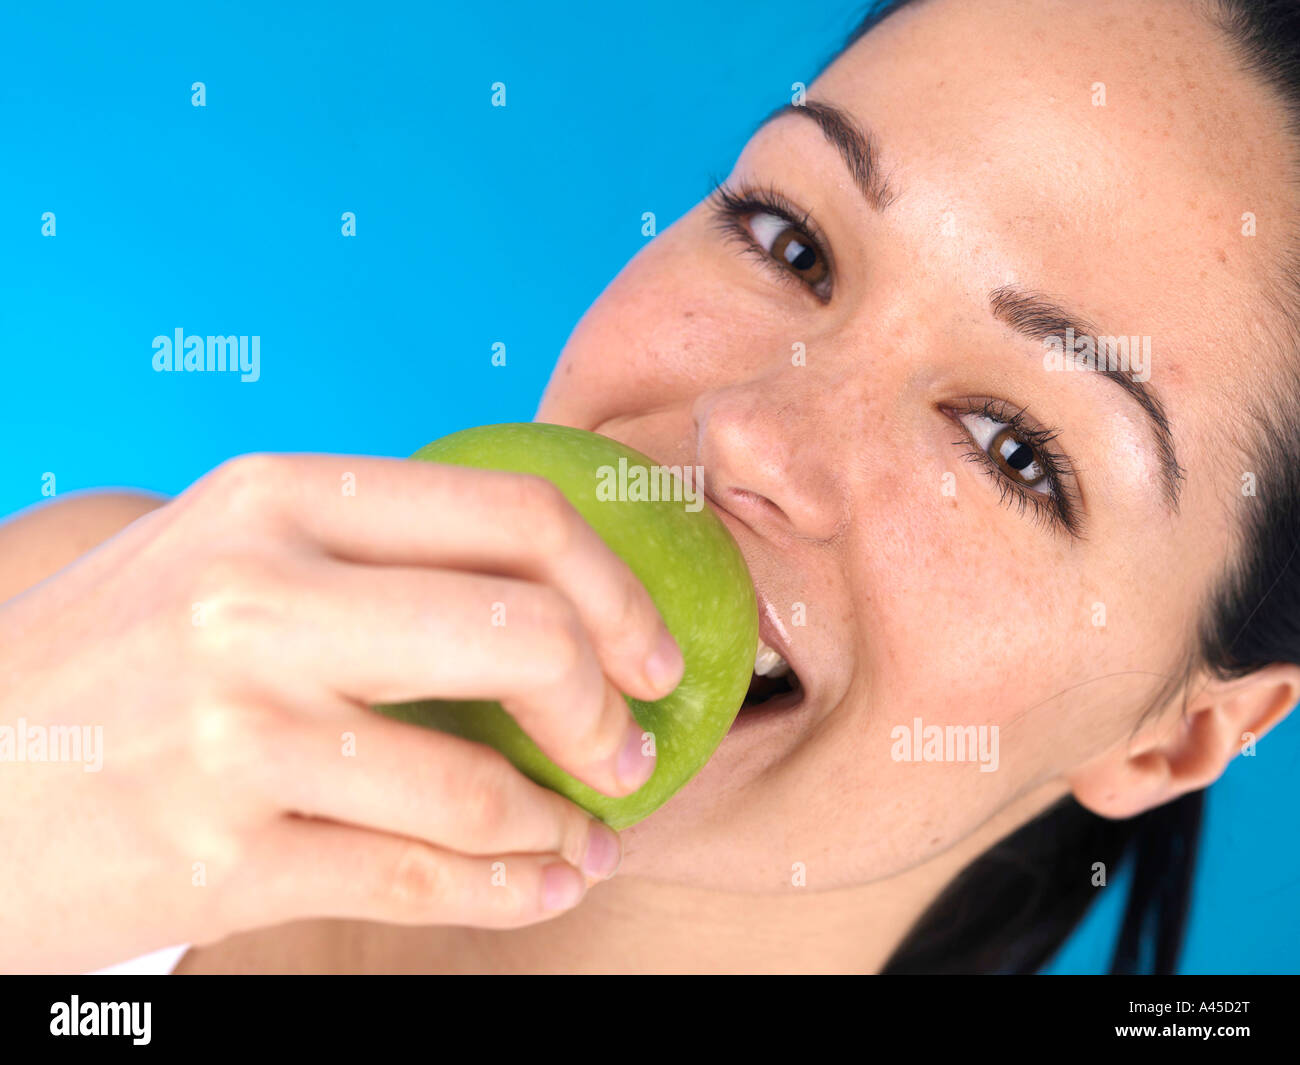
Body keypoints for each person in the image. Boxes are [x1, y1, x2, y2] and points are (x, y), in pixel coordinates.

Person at [3, 0, 1298, 974]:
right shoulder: (81, 652)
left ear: (1178, 734)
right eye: (791, 241)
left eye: (1016, 447)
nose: (752, 436)